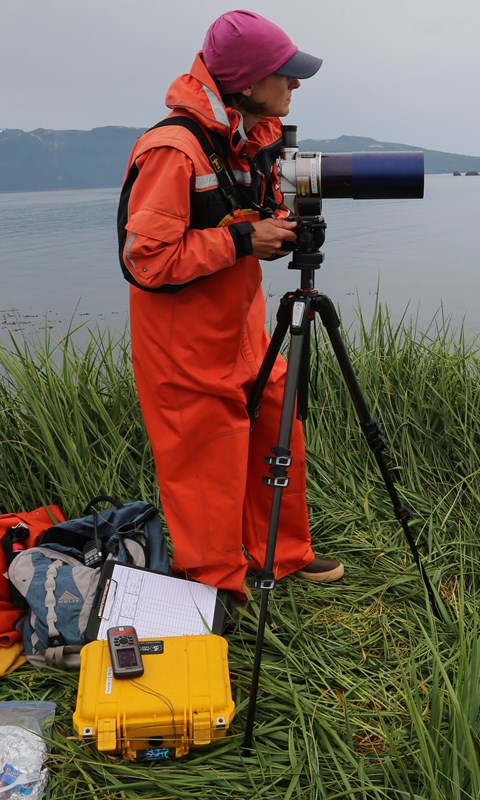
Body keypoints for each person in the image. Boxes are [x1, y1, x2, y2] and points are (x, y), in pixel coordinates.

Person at [117, 10, 342, 601]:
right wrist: (246, 239)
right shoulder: (174, 150)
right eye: (286, 75)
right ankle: (216, 591)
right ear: (244, 82)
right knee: (207, 469)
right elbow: (147, 261)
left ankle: (283, 557)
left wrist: (276, 229)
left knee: (278, 433)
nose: (295, 85)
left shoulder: (249, 141)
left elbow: (244, 220)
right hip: (183, 348)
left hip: (243, 334)